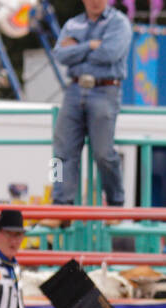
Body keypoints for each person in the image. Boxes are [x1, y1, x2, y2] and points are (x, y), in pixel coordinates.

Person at [51, 0, 131, 209]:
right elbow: (59, 54)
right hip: (75, 90)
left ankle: (115, 201)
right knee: (59, 153)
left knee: (104, 153)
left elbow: (110, 54)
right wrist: (91, 45)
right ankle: (59, 202)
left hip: (104, 90)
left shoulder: (119, 23)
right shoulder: (72, 23)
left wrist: (76, 49)